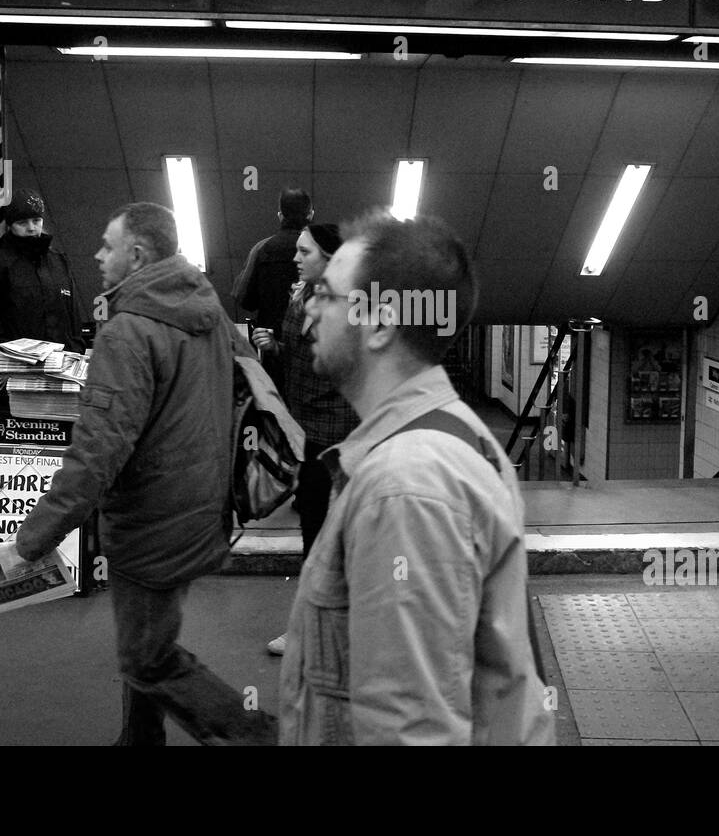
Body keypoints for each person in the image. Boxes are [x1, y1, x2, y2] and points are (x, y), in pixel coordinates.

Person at [279, 211, 555, 745]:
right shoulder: (457, 434)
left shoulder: (407, 486)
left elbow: (410, 730)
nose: (309, 308)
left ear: (380, 323)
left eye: (327, 294)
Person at [14, 201, 278, 745]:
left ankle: (259, 738)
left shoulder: (128, 330)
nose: (97, 254)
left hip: (152, 519)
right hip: (203, 504)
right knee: (149, 635)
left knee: (148, 658)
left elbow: (98, 450)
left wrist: (33, 540)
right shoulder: (208, 311)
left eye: (108, 245)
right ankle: (139, 739)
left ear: (137, 255)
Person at [251, 223, 359, 656]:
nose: (295, 258)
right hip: (307, 429)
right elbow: (301, 353)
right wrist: (274, 345)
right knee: (318, 531)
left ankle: (316, 630)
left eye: (304, 251)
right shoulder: (304, 294)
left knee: (323, 533)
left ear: (329, 257)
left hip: (335, 434)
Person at [0, 187, 85, 375]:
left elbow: (74, 318)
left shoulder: (58, 261)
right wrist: (3, 365)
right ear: (10, 225)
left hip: (60, 371)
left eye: (36, 220)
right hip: (14, 372)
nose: (31, 228)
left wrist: (73, 353)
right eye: (22, 222)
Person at [232, 187, 313, 384]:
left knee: (276, 405)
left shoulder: (262, 249)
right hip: (311, 347)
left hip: (270, 343)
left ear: (279, 216)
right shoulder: (320, 251)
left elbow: (244, 298)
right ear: (310, 215)